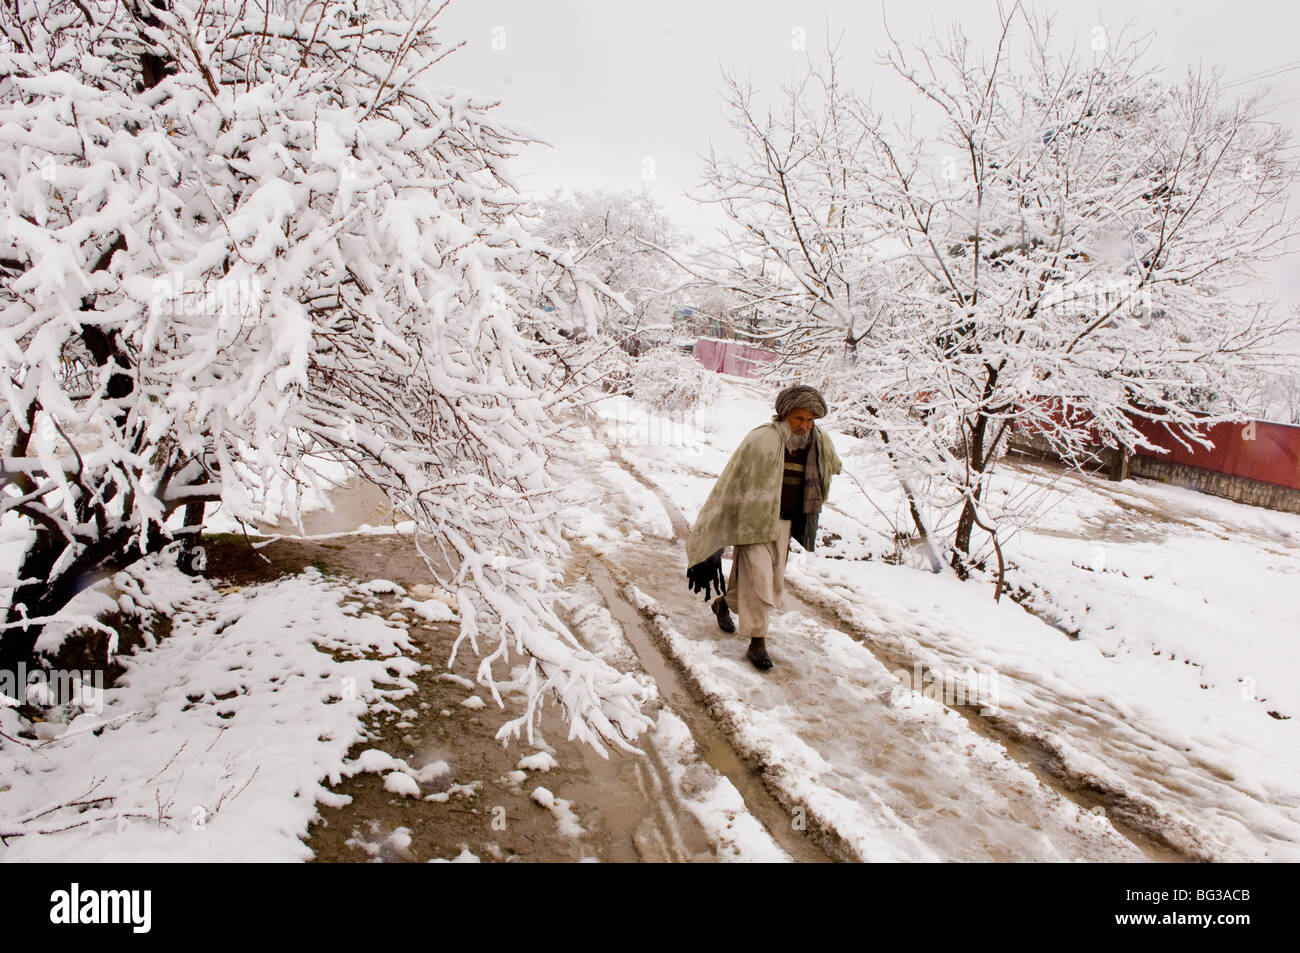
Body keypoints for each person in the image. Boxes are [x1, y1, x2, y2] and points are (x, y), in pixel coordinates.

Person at [685, 385, 842, 670]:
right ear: (784, 415)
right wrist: (724, 521)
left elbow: (831, 468)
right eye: (799, 419)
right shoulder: (761, 440)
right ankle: (758, 642)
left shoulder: (818, 443)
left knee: (773, 579)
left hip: (784, 523)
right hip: (753, 521)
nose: (804, 425)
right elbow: (733, 482)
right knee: (759, 579)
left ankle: (723, 604)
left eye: (810, 420)